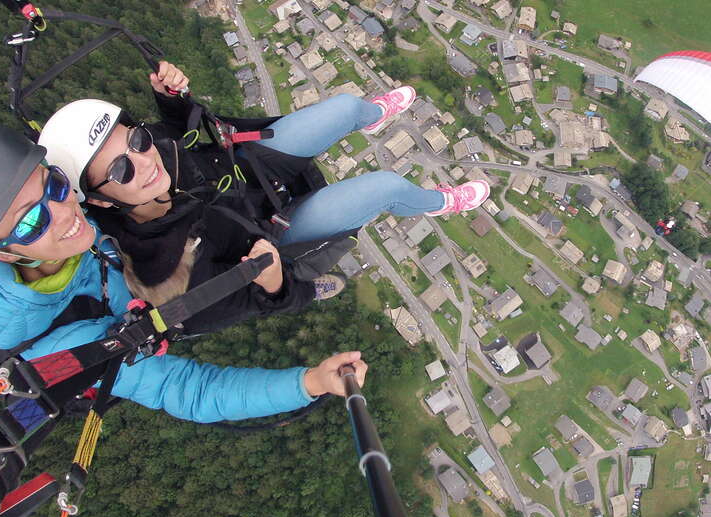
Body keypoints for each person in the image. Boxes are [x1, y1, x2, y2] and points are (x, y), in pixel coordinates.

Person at [0, 0, 367, 423]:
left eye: (54, 185)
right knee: (246, 290)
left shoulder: (2, 218)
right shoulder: (64, 344)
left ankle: (294, 283)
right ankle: (301, 288)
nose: (63, 210)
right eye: (31, 221)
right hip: (163, 310)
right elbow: (190, 391)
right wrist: (309, 382)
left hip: (131, 266)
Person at [35, 61, 490, 335]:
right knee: (386, 187)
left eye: (134, 141)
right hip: (274, 230)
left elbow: (186, 135)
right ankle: (439, 203)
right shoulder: (166, 273)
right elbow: (262, 302)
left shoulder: (151, 148)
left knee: (348, 107)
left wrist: (172, 99)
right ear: (98, 200)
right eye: (119, 170)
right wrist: (274, 281)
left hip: (250, 168)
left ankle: (369, 117)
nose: (143, 160)